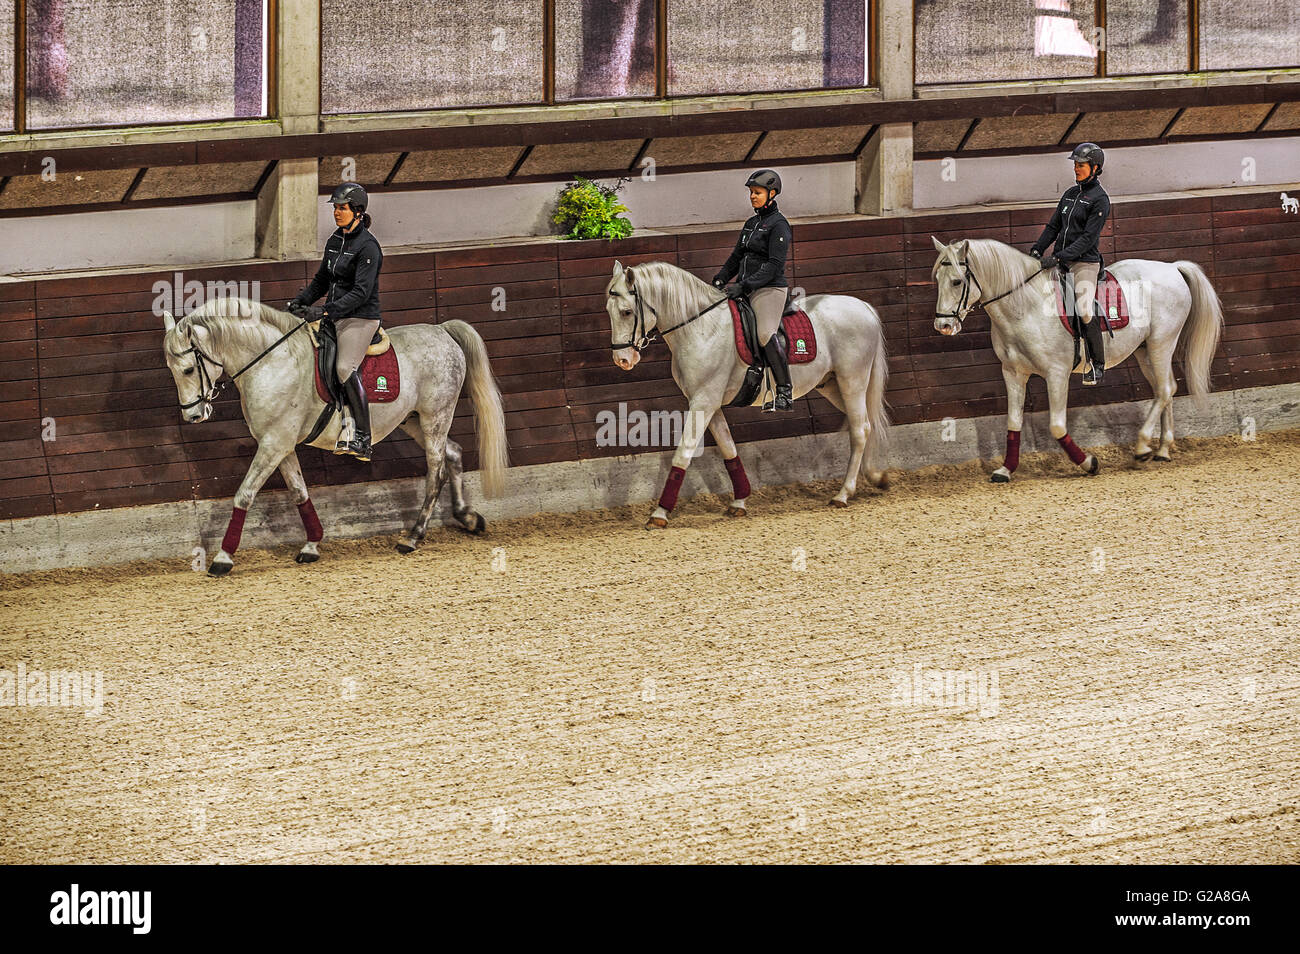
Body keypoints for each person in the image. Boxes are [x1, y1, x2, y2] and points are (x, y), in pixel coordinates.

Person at [289, 182, 384, 460]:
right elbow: (321, 280)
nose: (337, 213)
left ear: (357, 211)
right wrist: (303, 301)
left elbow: (361, 292)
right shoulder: (335, 240)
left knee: (344, 367)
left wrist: (327, 311)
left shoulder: (369, 248)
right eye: (336, 208)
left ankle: (363, 439)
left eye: (342, 208)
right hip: (336, 312)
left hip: (360, 317)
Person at [712, 169, 795, 411]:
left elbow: (774, 265)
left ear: (771, 193)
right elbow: (736, 256)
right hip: (745, 288)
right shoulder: (751, 223)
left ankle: (784, 392)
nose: (752, 197)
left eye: (757, 193)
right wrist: (721, 278)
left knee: (763, 333)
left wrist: (744, 285)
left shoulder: (779, 225)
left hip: (769, 290)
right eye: (751, 192)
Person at [1031, 142, 1111, 385]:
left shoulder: (1100, 200)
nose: (1076, 169)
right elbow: (1054, 226)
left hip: (1083, 263)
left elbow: (1088, 239)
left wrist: (1058, 257)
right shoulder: (1069, 194)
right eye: (1075, 165)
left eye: (1081, 165)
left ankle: (1097, 364)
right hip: (1061, 260)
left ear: (1095, 168)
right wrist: (1037, 248)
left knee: (1085, 309)